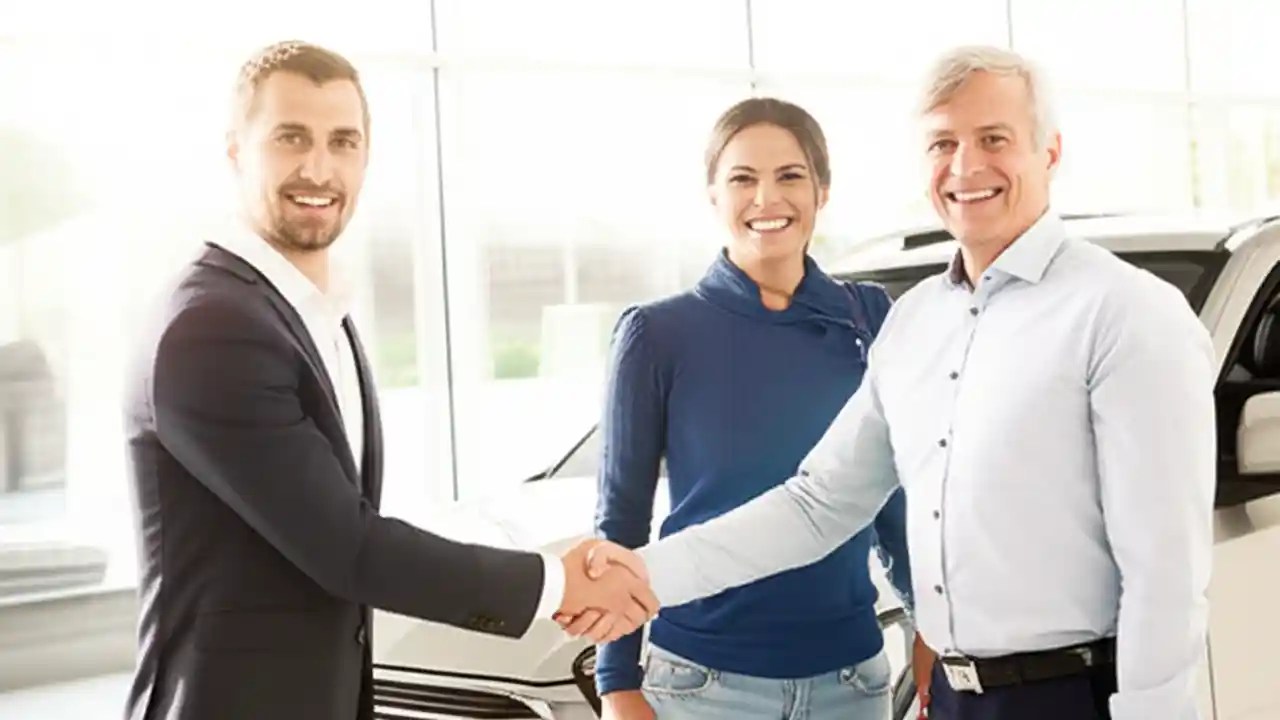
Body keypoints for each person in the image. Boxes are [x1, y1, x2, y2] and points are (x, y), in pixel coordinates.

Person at [568, 45, 1217, 720]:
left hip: (1073, 696)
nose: (966, 166)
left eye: (993, 138)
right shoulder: (912, 324)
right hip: (953, 699)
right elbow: (820, 505)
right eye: (943, 143)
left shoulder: (1126, 312)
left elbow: (1164, 570)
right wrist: (644, 575)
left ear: (1049, 152)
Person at [122, 40, 654, 720]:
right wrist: (555, 583)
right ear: (235, 149)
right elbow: (346, 545)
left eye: (343, 141)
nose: (319, 167)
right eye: (291, 138)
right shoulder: (210, 329)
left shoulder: (314, 315)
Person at [583, 97, 914, 720]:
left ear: (821, 191)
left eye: (790, 176)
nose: (768, 199)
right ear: (713, 194)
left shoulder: (869, 318)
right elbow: (622, 521)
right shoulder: (657, 333)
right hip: (702, 685)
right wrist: (616, 681)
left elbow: (894, 499)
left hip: (853, 682)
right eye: (743, 179)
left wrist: (930, 628)